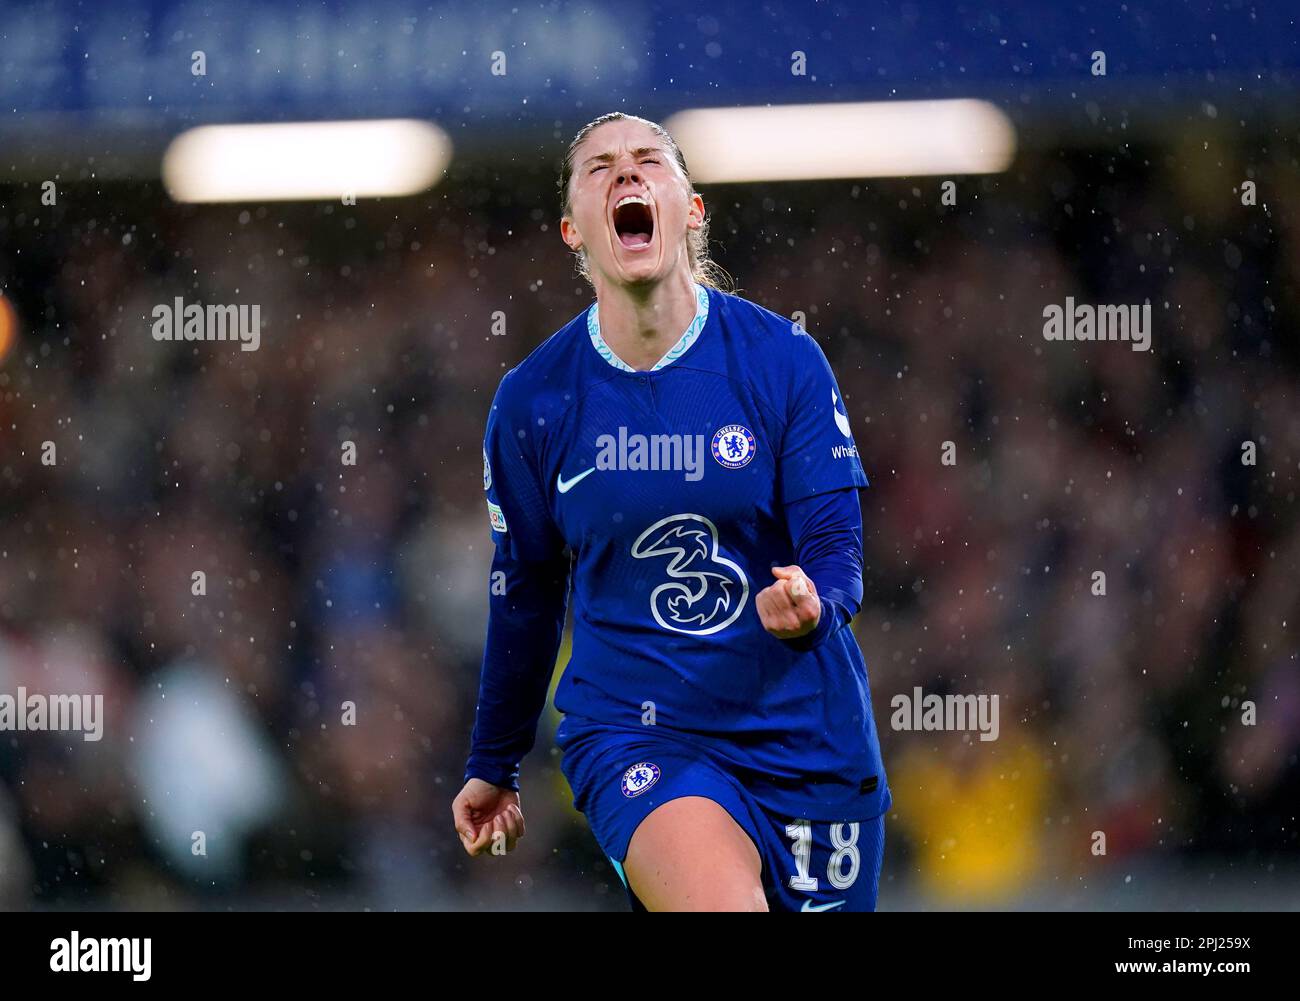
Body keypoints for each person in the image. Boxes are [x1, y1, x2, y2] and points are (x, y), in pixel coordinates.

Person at [451, 112, 891, 911]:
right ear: (572, 231)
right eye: (600, 168)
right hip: (637, 735)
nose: (627, 174)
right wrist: (495, 759)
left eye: (650, 160)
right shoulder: (534, 402)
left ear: (690, 208)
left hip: (806, 738)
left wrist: (812, 607)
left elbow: (834, 545)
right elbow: (525, 590)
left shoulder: (782, 360)